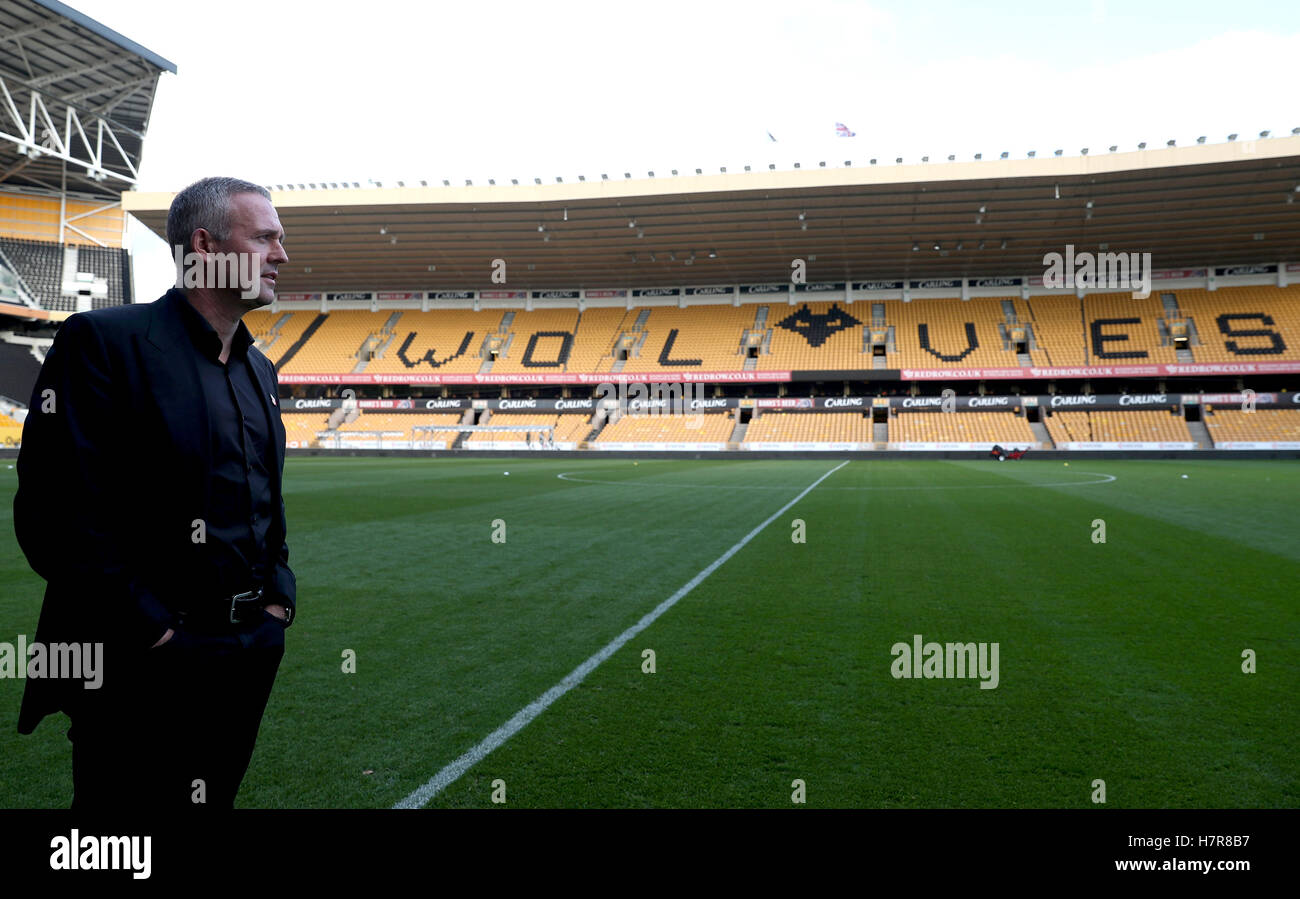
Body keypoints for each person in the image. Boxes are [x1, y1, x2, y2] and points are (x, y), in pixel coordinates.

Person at [14, 176, 296, 809]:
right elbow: (54, 517)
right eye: (266, 238)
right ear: (206, 244)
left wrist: (279, 602)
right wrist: (158, 636)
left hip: (248, 651)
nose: (282, 254)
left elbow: (265, 507)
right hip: (141, 663)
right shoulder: (104, 344)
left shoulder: (259, 369)